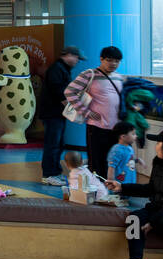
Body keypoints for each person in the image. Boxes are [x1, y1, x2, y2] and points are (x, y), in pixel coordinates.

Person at [113, 127, 163, 259]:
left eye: (158, 142)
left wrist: (153, 221)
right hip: (158, 207)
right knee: (134, 218)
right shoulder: (159, 163)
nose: (155, 145)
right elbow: (151, 189)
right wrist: (122, 187)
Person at [64, 46, 124, 178]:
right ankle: (97, 189)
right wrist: (85, 111)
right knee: (97, 161)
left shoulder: (119, 78)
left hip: (116, 128)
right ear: (101, 59)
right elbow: (69, 92)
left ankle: (112, 189)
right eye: (109, 60)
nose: (113, 64)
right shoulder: (89, 74)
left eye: (117, 61)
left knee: (114, 161)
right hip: (97, 126)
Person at [38, 46, 82, 184]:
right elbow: (59, 91)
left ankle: (55, 172)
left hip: (57, 114)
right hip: (52, 114)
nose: (77, 61)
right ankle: (49, 174)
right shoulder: (57, 69)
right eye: (75, 57)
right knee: (52, 144)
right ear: (67, 55)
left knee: (58, 143)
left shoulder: (62, 69)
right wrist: (73, 109)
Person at [106, 121, 138, 191]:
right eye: (133, 134)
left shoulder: (129, 148)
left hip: (129, 180)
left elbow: (130, 158)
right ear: (123, 136)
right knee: (118, 200)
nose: (136, 136)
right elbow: (111, 167)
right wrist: (111, 182)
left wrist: (138, 160)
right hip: (119, 183)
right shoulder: (116, 150)